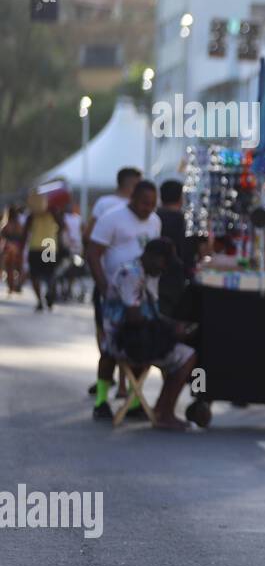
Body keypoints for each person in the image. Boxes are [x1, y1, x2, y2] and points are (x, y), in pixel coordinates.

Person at [100, 238, 197, 430]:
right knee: (188, 356)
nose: (164, 268)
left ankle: (161, 409)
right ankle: (164, 413)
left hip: (135, 336)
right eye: (164, 263)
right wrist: (171, 330)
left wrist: (175, 326)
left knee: (182, 346)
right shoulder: (131, 274)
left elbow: (151, 314)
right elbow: (134, 317)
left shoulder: (147, 273)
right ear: (154, 257)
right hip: (123, 341)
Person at [87, 180, 160, 420]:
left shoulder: (155, 221)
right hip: (115, 297)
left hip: (143, 297)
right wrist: (104, 287)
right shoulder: (111, 218)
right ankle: (101, 401)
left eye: (152, 204)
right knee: (110, 349)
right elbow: (93, 253)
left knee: (140, 346)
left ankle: (134, 401)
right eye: (144, 203)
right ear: (133, 198)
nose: (148, 208)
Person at [23, 191, 64, 312]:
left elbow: (25, 230)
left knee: (37, 275)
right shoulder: (49, 212)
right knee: (47, 274)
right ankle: (47, 295)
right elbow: (62, 226)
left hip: (37, 246)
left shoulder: (45, 213)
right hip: (48, 245)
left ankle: (41, 299)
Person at [2, 205, 25, 294]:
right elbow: (23, 236)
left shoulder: (7, 224)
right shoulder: (18, 224)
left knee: (9, 268)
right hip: (17, 247)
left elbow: (3, 235)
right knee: (19, 268)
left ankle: (11, 287)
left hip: (8, 248)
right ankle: (18, 284)